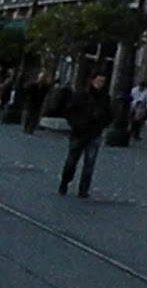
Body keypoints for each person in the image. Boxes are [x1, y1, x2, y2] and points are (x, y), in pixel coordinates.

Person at [58, 70, 114, 199]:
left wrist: (102, 123)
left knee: (90, 163)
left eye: (103, 82)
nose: (101, 84)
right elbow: (69, 111)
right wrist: (76, 124)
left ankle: (83, 189)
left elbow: (110, 115)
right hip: (79, 133)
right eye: (99, 81)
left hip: (94, 134)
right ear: (92, 80)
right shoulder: (81, 95)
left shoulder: (105, 98)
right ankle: (65, 181)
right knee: (72, 161)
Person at [20, 70, 51, 135]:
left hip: (39, 103)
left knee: (35, 116)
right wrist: (27, 99)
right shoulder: (32, 85)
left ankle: (31, 129)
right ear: (39, 78)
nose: (42, 79)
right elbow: (26, 92)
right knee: (29, 115)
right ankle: (26, 128)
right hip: (31, 102)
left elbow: (47, 94)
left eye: (44, 78)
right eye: (41, 77)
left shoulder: (46, 86)